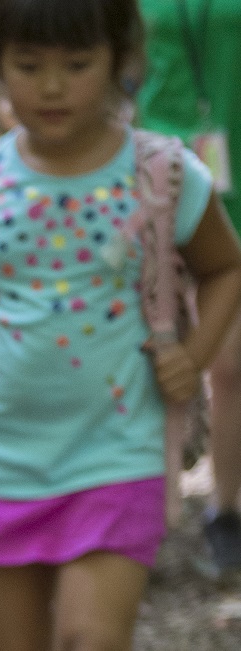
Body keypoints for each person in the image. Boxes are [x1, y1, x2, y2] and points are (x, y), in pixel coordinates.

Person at [0, 0, 241, 648]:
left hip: (116, 452)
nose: (52, 85)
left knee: (89, 637)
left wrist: (195, 354)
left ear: (122, 62)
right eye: (28, 65)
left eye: (77, 63)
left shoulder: (163, 174)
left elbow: (224, 266)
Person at [136, 0, 241, 574]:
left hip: (237, 168)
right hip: (157, 172)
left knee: (228, 363)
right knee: (152, 346)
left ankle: (226, 508)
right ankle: (148, 510)